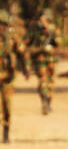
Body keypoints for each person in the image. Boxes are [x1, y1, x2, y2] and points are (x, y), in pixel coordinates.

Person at [0, 10, 30, 142]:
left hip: (7, 77)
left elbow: (23, 52)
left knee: (7, 105)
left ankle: (6, 131)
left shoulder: (13, 37)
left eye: (3, 24)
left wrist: (26, 68)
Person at [26, 8, 59, 114]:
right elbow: (27, 42)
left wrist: (49, 30)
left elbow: (59, 42)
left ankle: (48, 102)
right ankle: (44, 101)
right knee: (43, 81)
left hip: (51, 60)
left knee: (51, 82)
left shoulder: (54, 30)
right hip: (40, 60)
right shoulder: (35, 30)